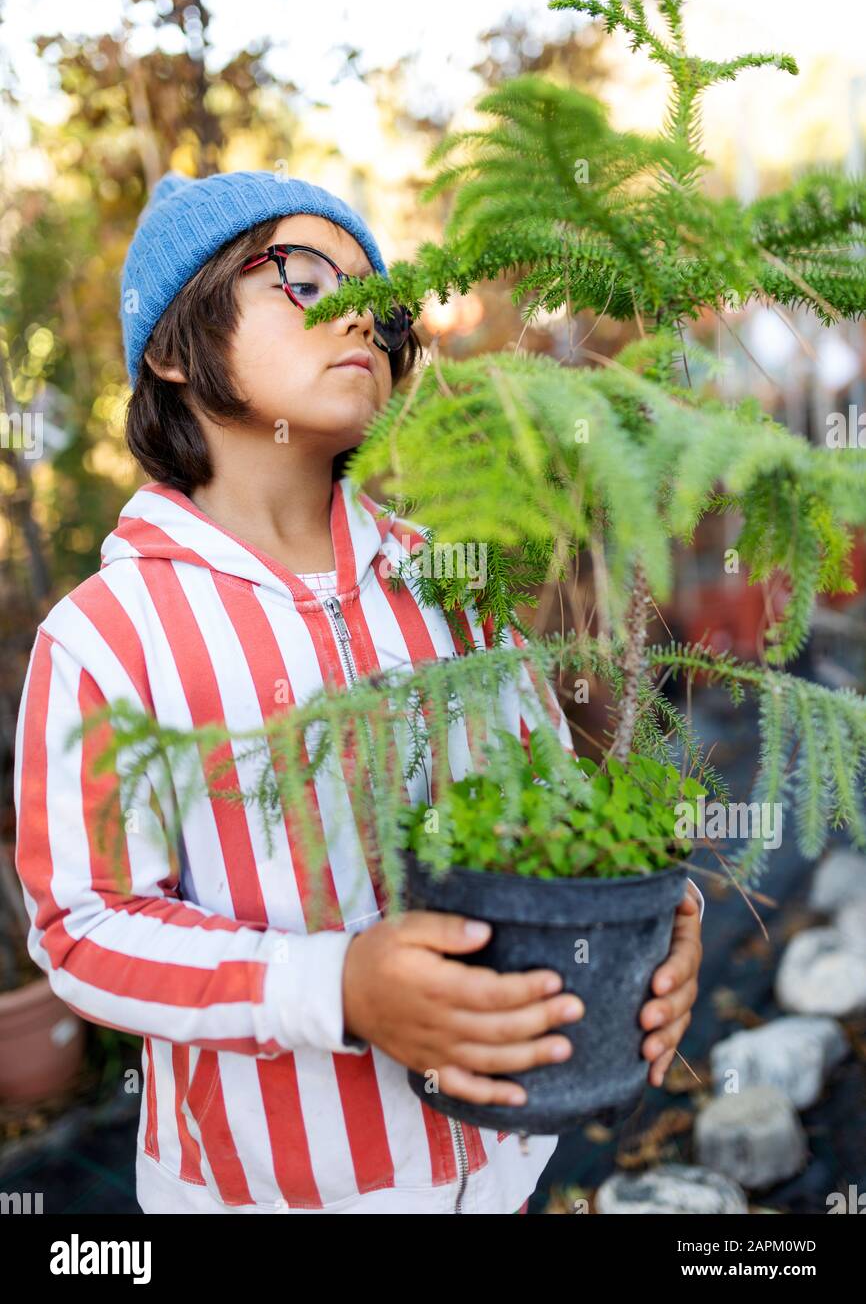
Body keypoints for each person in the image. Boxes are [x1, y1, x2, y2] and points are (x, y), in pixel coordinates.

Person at [13, 170, 704, 1214]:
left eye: (379, 303)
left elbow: (555, 808)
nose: (356, 319)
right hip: (267, 1195)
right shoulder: (110, 637)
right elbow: (84, 929)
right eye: (297, 277)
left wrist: (656, 918)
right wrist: (332, 986)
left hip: (500, 1166)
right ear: (167, 344)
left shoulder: (453, 582)